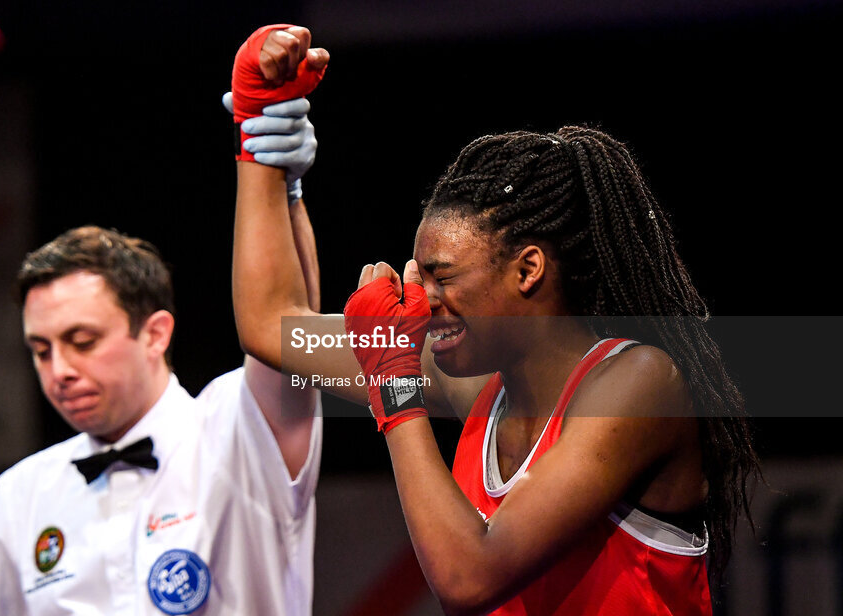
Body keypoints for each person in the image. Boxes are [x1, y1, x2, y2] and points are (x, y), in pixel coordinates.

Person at [232, 27, 760, 616]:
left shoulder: (641, 383)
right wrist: (262, 143)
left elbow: (469, 579)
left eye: (443, 276)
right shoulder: (477, 383)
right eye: (418, 275)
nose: (420, 299)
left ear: (528, 269)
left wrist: (395, 384)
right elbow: (273, 325)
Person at [0, 28, 330, 614]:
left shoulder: (237, 433)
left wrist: (270, 174)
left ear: (155, 333)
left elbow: (289, 335)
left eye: (82, 341)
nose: (59, 370)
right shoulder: (23, 494)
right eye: (40, 350)